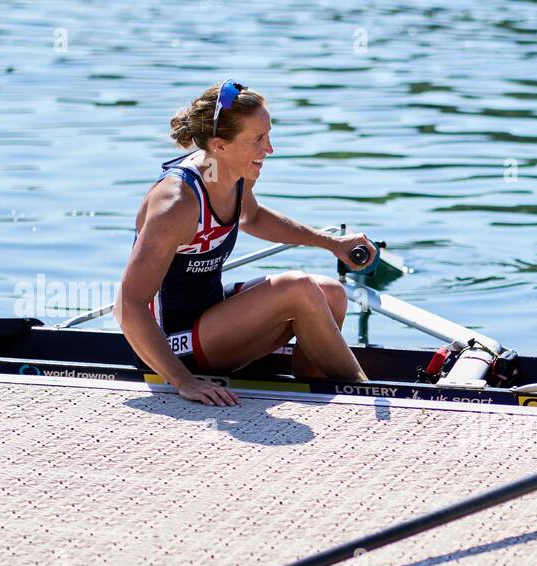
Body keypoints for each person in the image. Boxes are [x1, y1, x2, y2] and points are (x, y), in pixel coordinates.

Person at [116, 80, 372, 407]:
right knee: (297, 287)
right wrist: (183, 381)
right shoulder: (177, 205)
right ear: (220, 145)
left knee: (331, 293)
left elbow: (253, 218)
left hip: (209, 317)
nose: (269, 149)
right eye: (258, 140)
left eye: (268, 135)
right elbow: (128, 304)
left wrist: (332, 243)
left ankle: (317, 392)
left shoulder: (235, 173)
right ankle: (364, 391)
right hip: (170, 345)